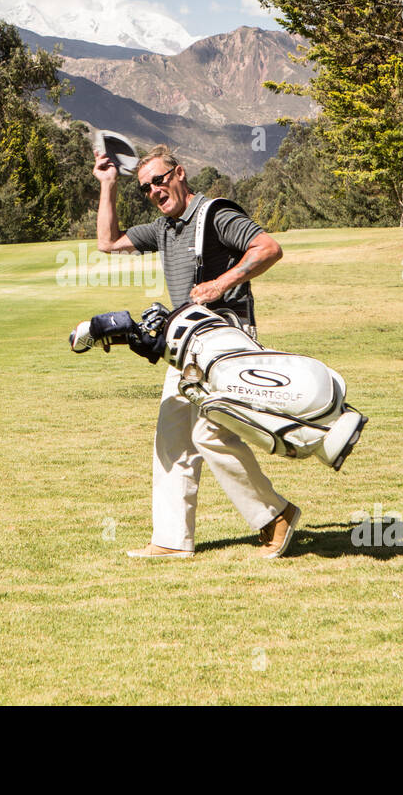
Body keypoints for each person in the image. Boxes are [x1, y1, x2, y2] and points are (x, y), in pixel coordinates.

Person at [94, 143, 300, 559]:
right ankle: (171, 540)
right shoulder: (163, 228)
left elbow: (268, 248)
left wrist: (219, 284)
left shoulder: (215, 214)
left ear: (180, 173)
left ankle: (276, 515)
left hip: (224, 342)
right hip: (187, 346)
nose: (154, 190)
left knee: (211, 433)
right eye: (146, 187)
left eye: (160, 180)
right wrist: (109, 184)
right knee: (172, 439)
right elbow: (109, 242)